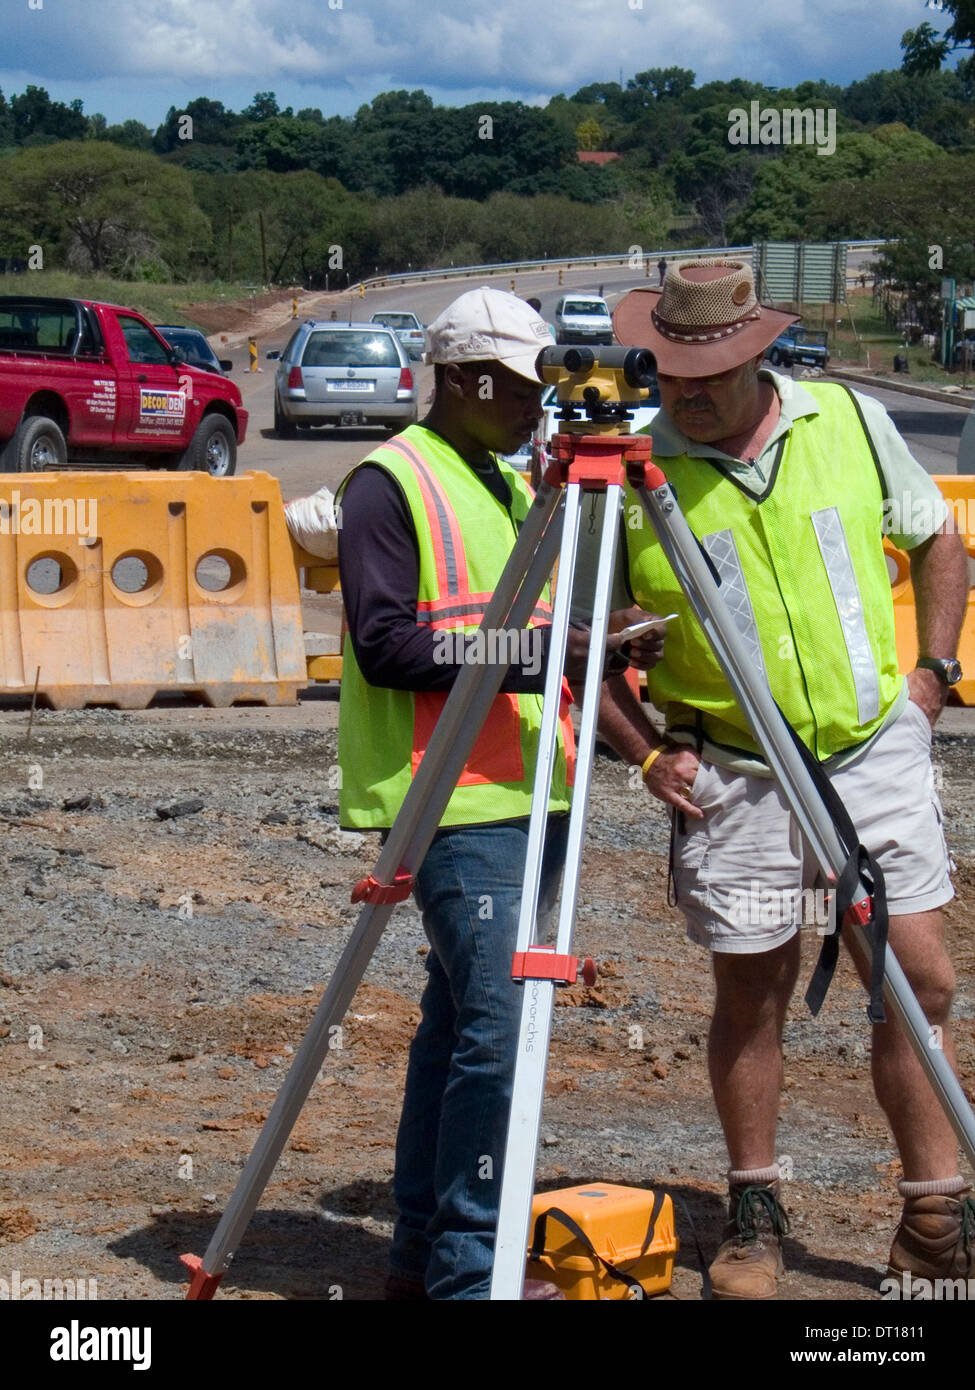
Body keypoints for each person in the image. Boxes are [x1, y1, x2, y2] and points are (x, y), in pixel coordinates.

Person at [599, 258, 971, 1300]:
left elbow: (938, 538)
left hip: (870, 753)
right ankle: (754, 1211)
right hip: (736, 769)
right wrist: (644, 751)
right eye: (669, 368)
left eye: (709, 368)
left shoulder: (844, 422)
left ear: (758, 353)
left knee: (917, 982)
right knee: (752, 989)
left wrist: (934, 674)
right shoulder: (632, 469)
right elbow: (577, 645)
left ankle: (935, 1217)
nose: (687, 387)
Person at [335, 286, 654, 1299]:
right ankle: (470, 1273)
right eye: (518, 389)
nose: (537, 410)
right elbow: (389, 644)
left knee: (451, 1030)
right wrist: (542, 652)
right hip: (453, 804)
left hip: (532, 788)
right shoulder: (391, 484)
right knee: (499, 1032)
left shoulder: (517, 486)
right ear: (461, 377)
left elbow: (540, 641)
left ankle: (420, 1253)